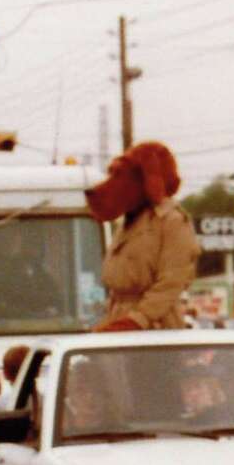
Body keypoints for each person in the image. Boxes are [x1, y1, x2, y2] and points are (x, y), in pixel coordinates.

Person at [87, 141, 199, 332]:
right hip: (117, 319)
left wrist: (138, 319)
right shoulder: (127, 223)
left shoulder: (172, 221)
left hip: (155, 327)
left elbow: (171, 283)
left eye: (122, 176)